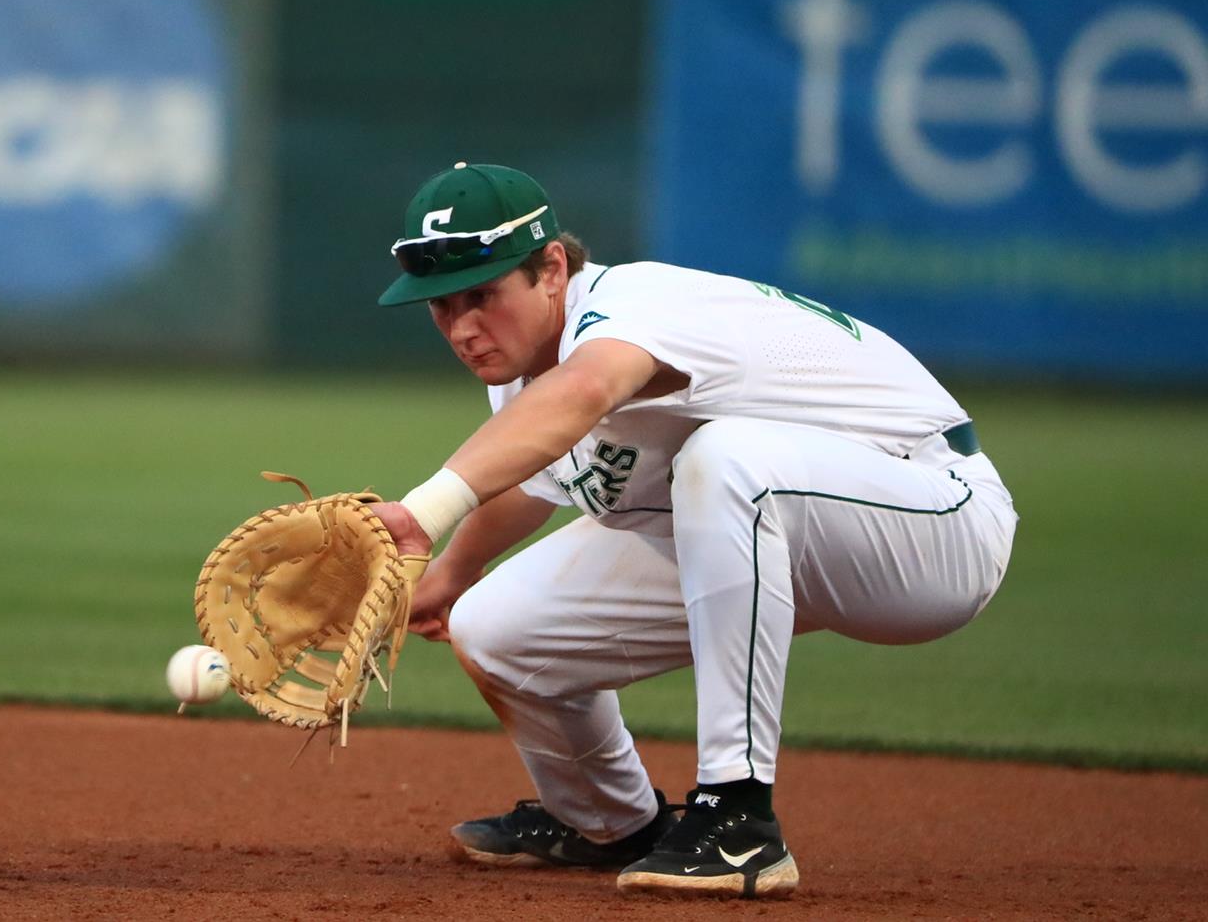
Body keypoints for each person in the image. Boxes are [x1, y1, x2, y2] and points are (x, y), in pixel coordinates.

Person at [363, 161, 1018, 899]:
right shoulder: (518, 369)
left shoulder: (631, 306)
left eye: (481, 295)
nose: (462, 327)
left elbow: (583, 393)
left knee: (727, 460)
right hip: (765, 532)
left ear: (550, 268)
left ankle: (738, 816)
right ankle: (612, 822)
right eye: (441, 306)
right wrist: (450, 574)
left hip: (935, 521)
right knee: (495, 626)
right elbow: (535, 469)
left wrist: (421, 511)